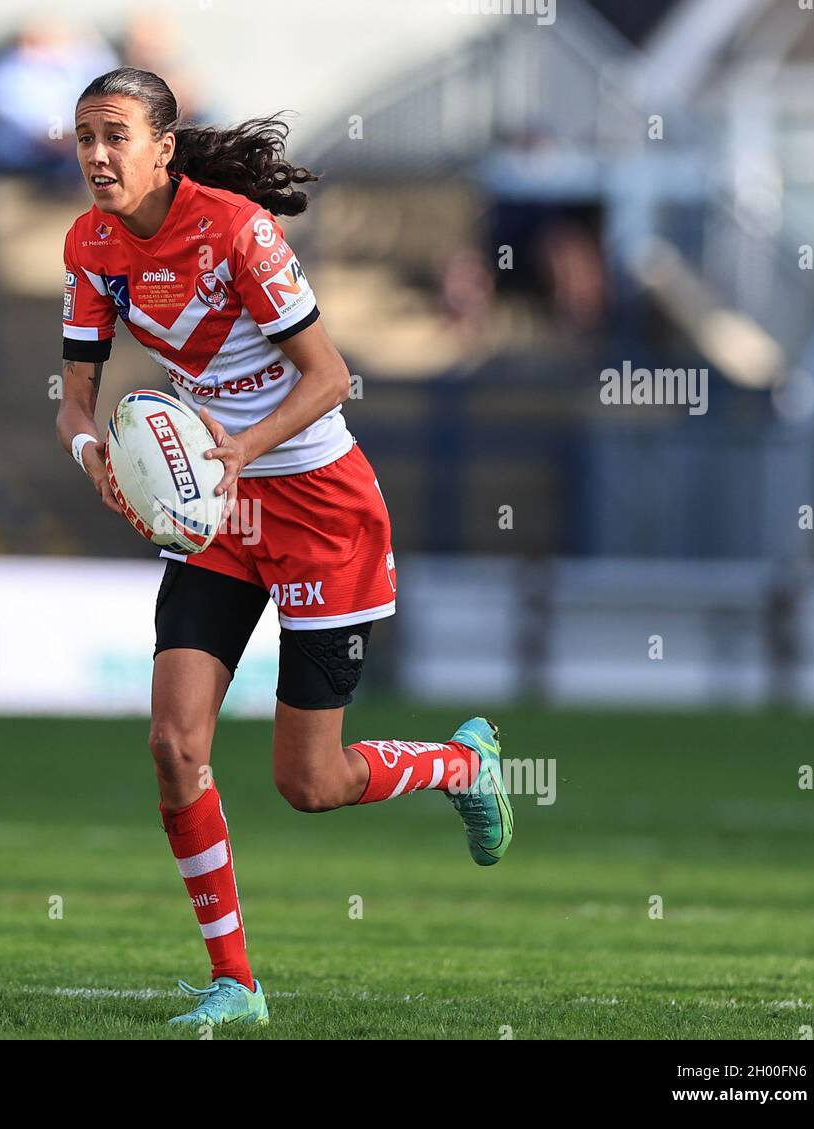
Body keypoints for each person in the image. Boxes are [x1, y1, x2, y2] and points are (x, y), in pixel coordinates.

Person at [54, 68, 513, 1029]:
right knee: (175, 744)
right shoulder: (90, 245)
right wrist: (95, 451)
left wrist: (243, 448)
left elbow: (332, 375)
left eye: (116, 135)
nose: (98, 154)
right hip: (216, 514)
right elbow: (75, 397)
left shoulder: (236, 233)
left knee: (311, 783)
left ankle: (461, 767)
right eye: (85, 136)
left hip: (318, 509)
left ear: (163, 146)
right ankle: (236, 983)